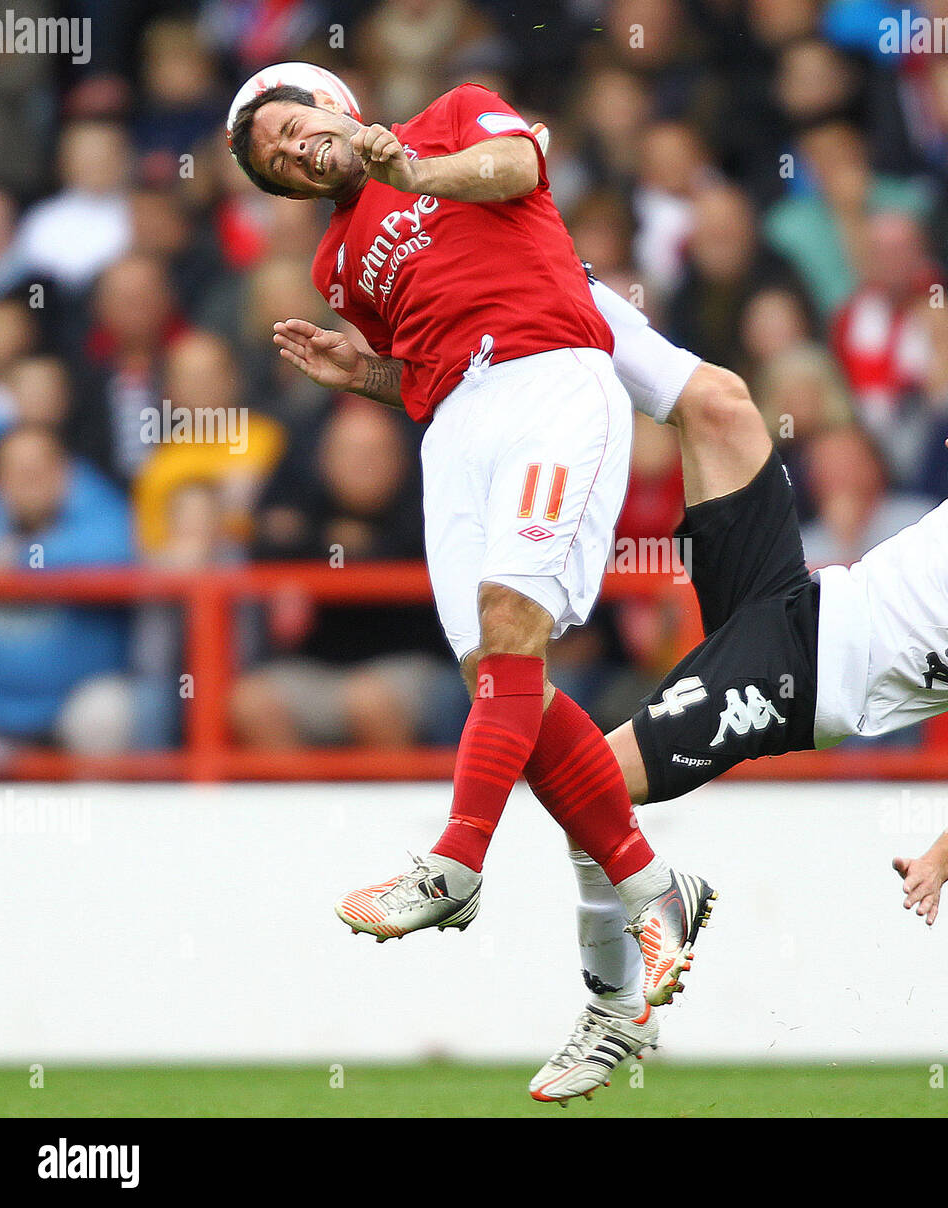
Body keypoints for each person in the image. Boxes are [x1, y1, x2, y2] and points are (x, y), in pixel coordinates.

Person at [533, 342, 948, 1102]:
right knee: (715, 399)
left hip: (797, 678)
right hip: (792, 597)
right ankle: (575, 295)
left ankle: (616, 1003)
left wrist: (943, 856)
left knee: (579, 778)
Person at [224, 64, 713, 1010]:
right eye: (276, 166)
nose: (289, 153)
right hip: (453, 427)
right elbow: (423, 370)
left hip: (548, 379)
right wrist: (362, 376)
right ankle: (657, 887)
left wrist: (410, 170)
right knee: (492, 671)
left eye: (289, 128)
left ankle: (455, 863)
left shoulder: (447, 117)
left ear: (332, 103)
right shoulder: (333, 267)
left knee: (509, 622)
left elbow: (519, 169)